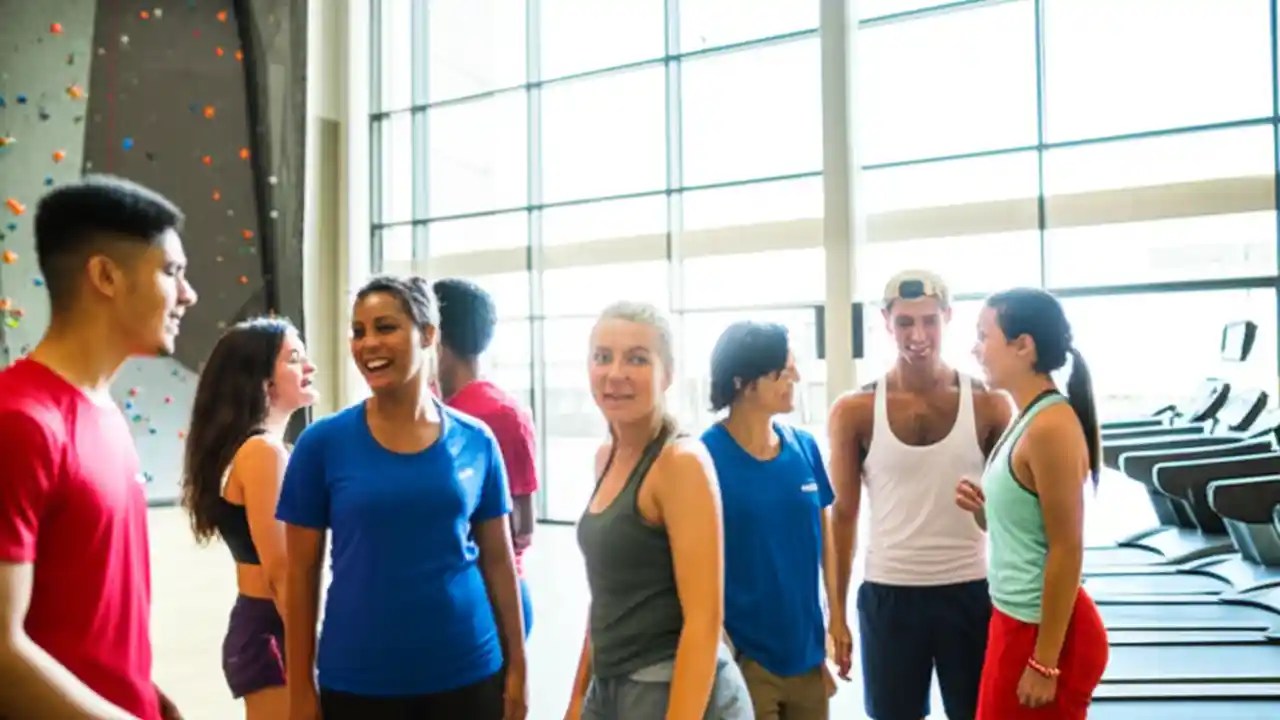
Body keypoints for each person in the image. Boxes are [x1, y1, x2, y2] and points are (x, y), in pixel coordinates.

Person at [276, 274, 527, 720]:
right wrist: (299, 690)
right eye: (358, 331)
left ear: (428, 334)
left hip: (469, 671)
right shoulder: (322, 444)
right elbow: (299, 576)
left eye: (385, 327)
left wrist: (519, 671)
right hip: (358, 680)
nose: (368, 343)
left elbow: (499, 561)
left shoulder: (477, 439)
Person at [0, 175, 197, 719]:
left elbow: (84, 616)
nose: (188, 294)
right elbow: (2, 655)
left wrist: (147, 697)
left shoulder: (105, 414)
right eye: (172, 272)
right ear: (106, 276)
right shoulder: (20, 423)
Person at [827, 270, 1012, 720]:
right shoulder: (855, 411)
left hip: (970, 590)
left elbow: (1017, 512)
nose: (918, 335)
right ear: (886, 321)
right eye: (905, 322)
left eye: (929, 320)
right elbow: (842, 518)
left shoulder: (990, 403)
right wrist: (836, 615)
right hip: (890, 594)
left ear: (947, 318)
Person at [567, 300, 753, 720]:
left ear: (667, 374)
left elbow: (704, 623)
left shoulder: (679, 463)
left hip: (669, 685)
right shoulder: (606, 456)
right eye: (602, 358)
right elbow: (605, 596)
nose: (615, 374)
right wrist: (578, 698)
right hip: (611, 681)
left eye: (637, 359)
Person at [956, 287, 1109, 719]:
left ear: (1023, 346)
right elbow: (1029, 531)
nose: (975, 348)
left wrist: (1045, 661)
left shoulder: (1050, 428)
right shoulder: (1026, 418)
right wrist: (986, 509)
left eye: (984, 335)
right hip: (1014, 619)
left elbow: (1067, 548)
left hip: (1042, 632)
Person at [179, 317, 319, 719]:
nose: (308, 368)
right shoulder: (262, 452)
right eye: (294, 359)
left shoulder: (265, 449)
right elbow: (280, 570)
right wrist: (310, 650)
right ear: (262, 382)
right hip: (275, 629)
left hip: (269, 624)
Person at [701, 321, 838, 720]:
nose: (794, 376)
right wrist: (724, 651)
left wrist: (835, 620)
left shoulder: (804, 446)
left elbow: (823, 532)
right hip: (748, 658)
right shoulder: (703, 458)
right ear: (744, 381)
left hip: (807, 655)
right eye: (782, 370)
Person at [434, 277, 538, 638]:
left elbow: (521, 528)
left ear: (435, 341)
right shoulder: (435, 412)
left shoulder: (495, 415)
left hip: (490, 602)